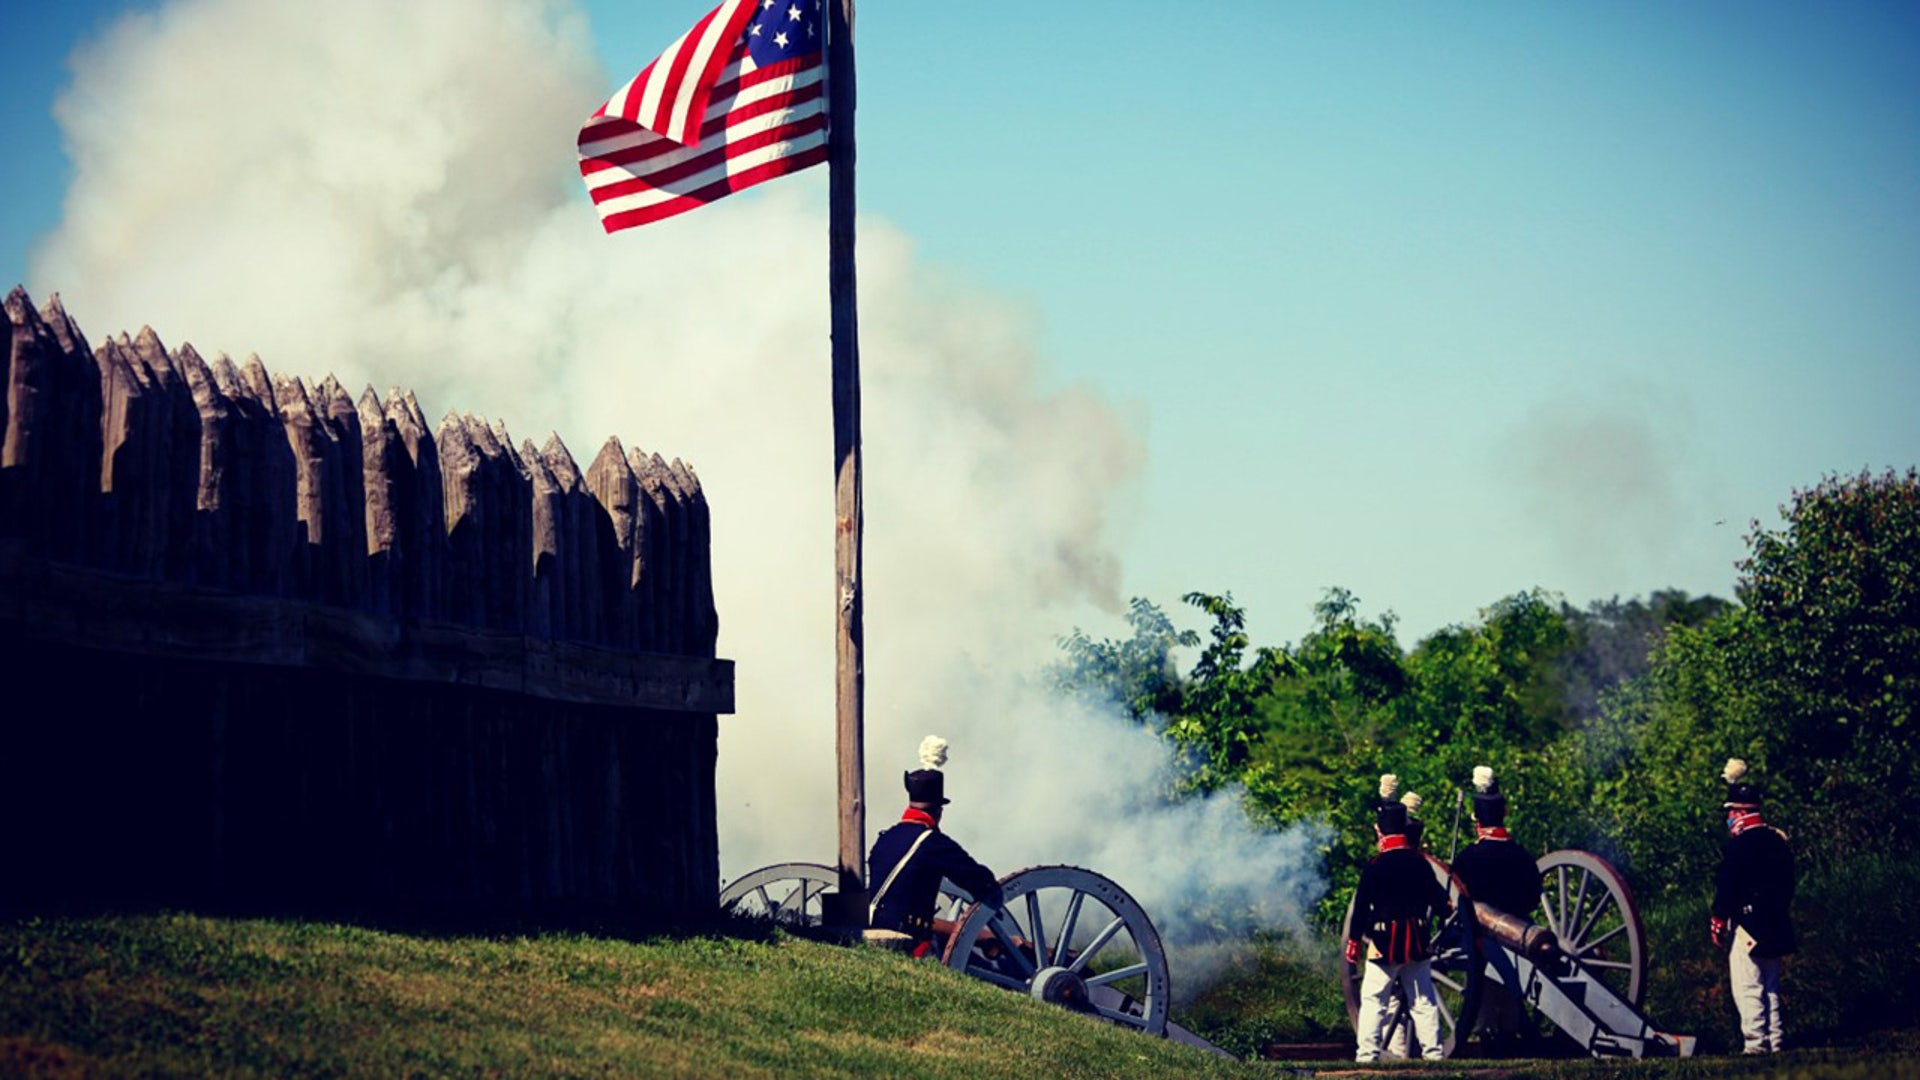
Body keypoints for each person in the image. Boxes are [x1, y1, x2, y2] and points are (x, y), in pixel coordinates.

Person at [866, 735, 1002, 958]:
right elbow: (979, 880)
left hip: (871, 925)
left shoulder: (885, 838)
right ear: (938, 811)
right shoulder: (933, 843)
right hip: (909, 940)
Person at [1348, 777, 1452, 1062]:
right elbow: (1439, 901)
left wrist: (1355, 942)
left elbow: (1360, 910)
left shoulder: (1375, 865)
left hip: (1384, 942)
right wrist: (1445, 908)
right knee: (1423, 1001)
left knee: (1373, 1001)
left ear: (1382, 831)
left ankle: (1367, 1056)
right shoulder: (1419, 863)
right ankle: (1433, 1055)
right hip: (1417, 940)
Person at [1450, 765, 1543, 1053]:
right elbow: (1532, 899)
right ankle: (1511, 1028)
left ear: (1477, 821)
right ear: (1503, 815)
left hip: (1483, 938)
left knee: (1486, 984)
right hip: (1522, 934)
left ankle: (1489, 1030)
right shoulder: (1523, 856)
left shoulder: (1468, 858)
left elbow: (1457, 903)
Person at [1711, 758, 1795, 1054]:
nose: (1730, 818)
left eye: (1731, 812)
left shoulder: (1740, 846)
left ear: (1739, 812)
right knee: (1771, 985)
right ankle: (1775, 1039)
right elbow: (1789, 883)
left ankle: (1756, 1042)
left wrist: (1718, 919)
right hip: (1776, 919)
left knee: (1748, 986)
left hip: (1748, 922)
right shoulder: (1777, 841)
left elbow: (1728, 886)